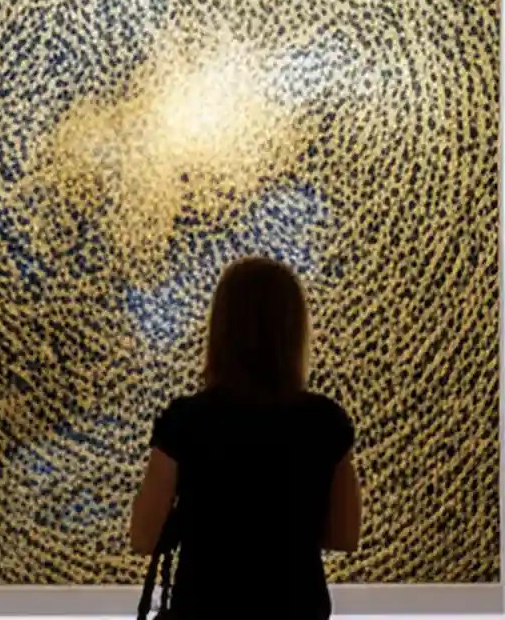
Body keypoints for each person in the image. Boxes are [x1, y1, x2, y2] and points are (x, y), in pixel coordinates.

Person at [129, 256, 362, 620]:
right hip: (295, 608)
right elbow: (345, 536)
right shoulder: (325, 421)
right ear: (296, 331)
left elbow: (144, 538)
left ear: (220, 330)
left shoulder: (187, 420)